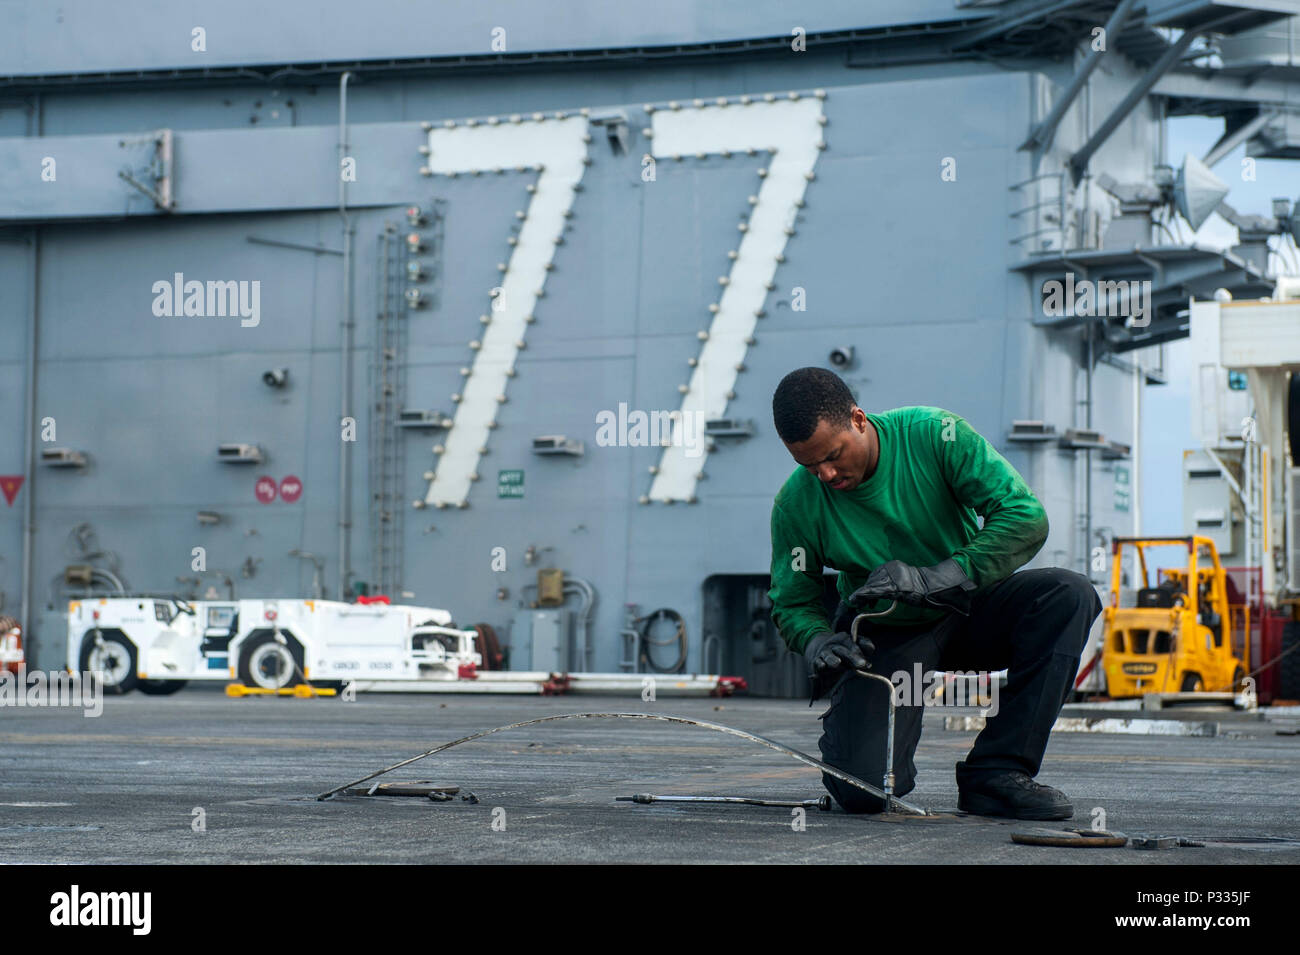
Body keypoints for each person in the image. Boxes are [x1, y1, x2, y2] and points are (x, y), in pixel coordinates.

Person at [766, 367, 1101, 819]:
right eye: (808, 464)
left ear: (859, 419)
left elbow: (1024, 516)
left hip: (969, 606)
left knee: (1067, 594)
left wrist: (936, 578)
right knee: (865, 792)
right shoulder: (797, 503)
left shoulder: (936, 435)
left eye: (833, 455)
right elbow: (794, 600)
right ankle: (857, 740)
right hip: (884, 638)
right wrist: (817, 640)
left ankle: (996, 774)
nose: (825, 473)